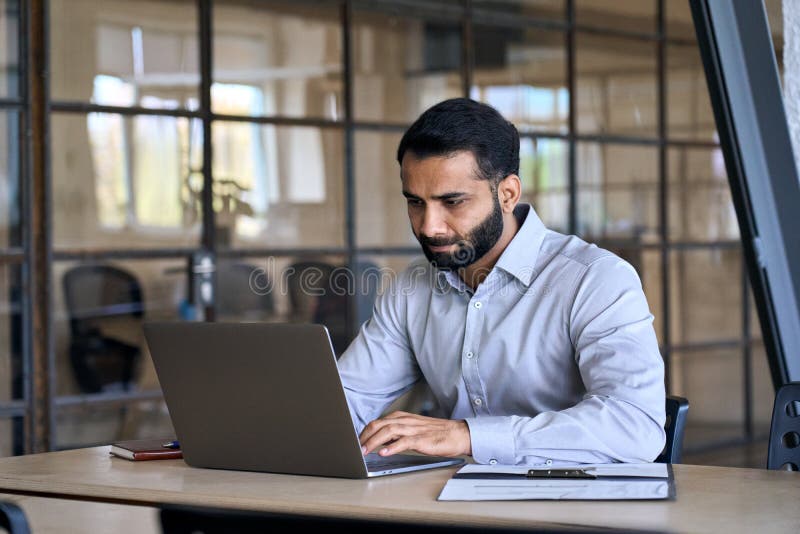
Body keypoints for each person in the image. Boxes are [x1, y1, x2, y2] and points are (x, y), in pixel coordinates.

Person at [336, 97, 666, 466]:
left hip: (571, 507)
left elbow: (635, 427)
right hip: (451, 506)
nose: (428, 226)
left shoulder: (596, 280)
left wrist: (466, 435)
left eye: (453, 202)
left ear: (507, 194)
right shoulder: (414, 288)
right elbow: (345, 402)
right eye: (416, 203)